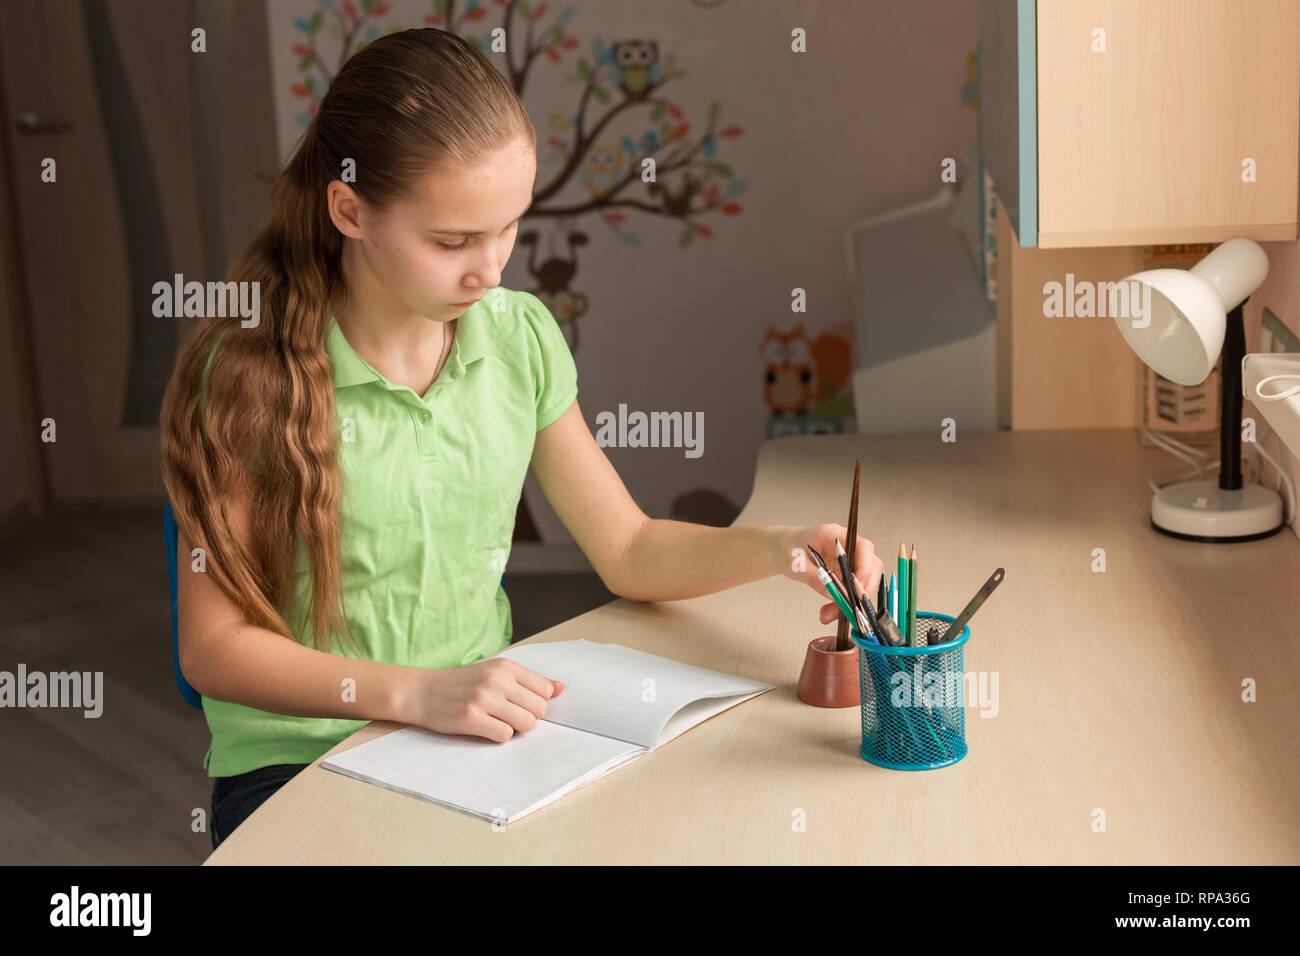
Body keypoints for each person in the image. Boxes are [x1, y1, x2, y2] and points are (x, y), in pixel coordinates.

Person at [160, 27, 883, 850]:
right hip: (297, 769)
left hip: (473, 745)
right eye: (452, 241)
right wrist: (421, 695)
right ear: (349, 209)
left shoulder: (516, 338)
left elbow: (631, 548)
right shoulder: (246, 375)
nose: (492, 270)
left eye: (508, 228)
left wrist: (784, 546)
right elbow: (212, 650)